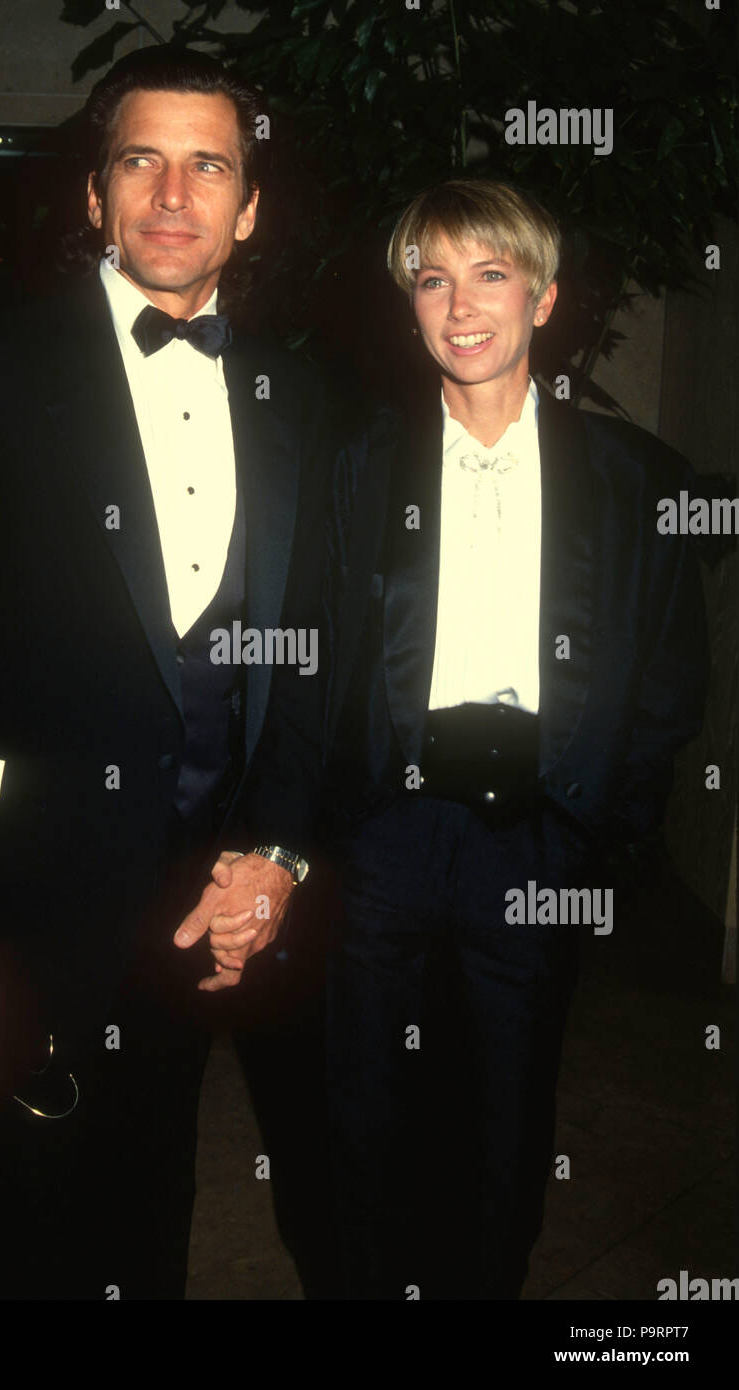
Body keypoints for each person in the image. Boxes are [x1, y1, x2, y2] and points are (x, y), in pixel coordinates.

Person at [0, 46, 329, 1300]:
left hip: (191, 922)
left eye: (208, 164)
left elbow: (310, 657)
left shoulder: (299, 397)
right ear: (93, 195)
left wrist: (275, 853)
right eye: (141, 160)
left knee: (144, 1223)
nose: (173, 193)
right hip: (8, 917)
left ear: (250, 206)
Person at [321, 179, 708, 1299]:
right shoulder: (356, 464)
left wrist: (601, 837)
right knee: (360, 1113)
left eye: (490, 273)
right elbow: (309, 666)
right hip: (386, 832)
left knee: (504, 1112)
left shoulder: (636, 479)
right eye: (431, 278)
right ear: (407, 308)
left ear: (544, 298)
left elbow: (669, 685)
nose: (460, 303)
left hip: (539, 839)